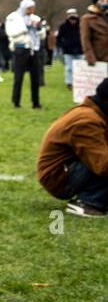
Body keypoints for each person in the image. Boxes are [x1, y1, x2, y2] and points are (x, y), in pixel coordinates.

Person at [36, 77, 108, 217]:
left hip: (69, 168)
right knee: (103, 162)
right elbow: (103, 165)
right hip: (58, 178)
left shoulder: (95, 113)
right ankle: (89, 202)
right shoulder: (87, 121)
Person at [6, 0, 43, 109]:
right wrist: (26, 28)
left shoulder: (35, 18)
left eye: (33, 8)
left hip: (34, 49)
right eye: (29, 8)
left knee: (36, 77)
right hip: (20, 49)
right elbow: (10, 33)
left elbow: (42, 36)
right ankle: (16, 102)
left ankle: (36, 103)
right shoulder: (13, 17)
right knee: (19, 77)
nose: (32, 10)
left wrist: (39, 28)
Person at [56, 8, 83, 90]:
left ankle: (80, 82)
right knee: (69, 68)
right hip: (68, 51)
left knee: (81, 68)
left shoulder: (82, 24)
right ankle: (69, 83)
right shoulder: (63, 26)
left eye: (74, 14)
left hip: (80, 50)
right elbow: (59, 38)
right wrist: (61, 46)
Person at [81, 0, 108, 67]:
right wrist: (90, 58)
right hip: (98, 56)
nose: (105, 3)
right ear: (95, 3)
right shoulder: (87, 18)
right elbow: (85, 39)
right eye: (102, 1)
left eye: (107, 1)